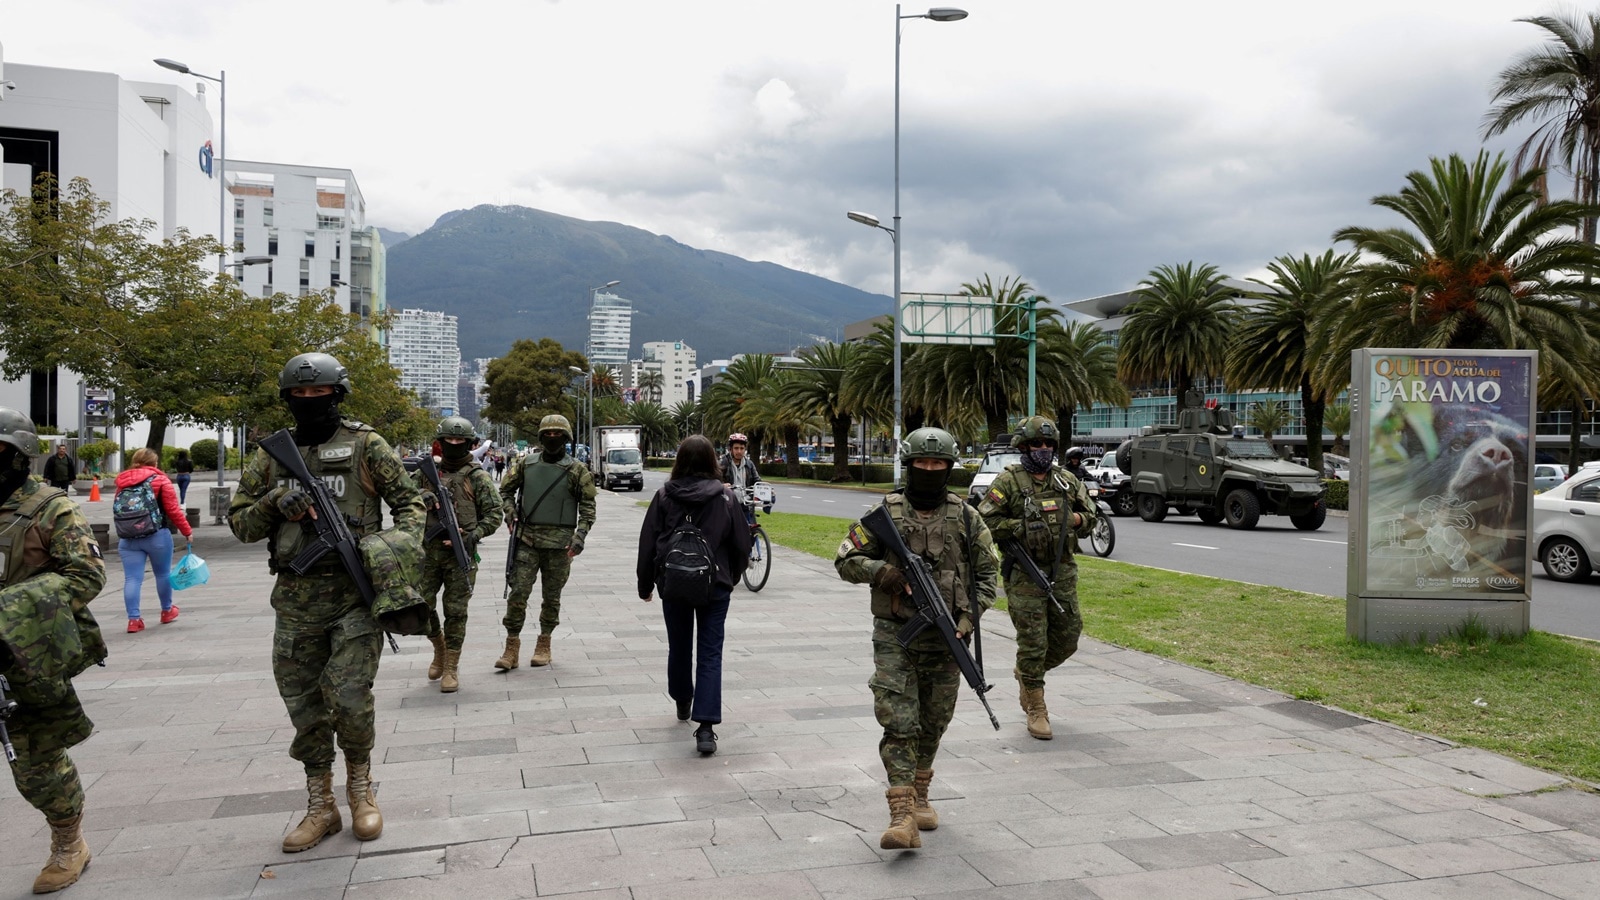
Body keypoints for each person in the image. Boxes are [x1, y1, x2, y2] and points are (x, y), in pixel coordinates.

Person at [227, 352, 425, 853]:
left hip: (354, 596)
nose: (311, 403)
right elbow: (241, 525)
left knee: (350, 698)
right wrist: (274, 502)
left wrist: (385, 553)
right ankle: (321, 805)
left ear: (338, 396)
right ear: (288, 399)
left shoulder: (366, 445)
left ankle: (361, 791)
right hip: (295, 600)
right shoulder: (273, 454)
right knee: (305, 708)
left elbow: (411, 506)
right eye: (301, 395)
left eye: (321, 395)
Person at [836, 426, 998, 850]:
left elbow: (987, 578)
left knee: (934, 720)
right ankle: (902, 814)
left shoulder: (967, 517)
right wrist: (882, 573)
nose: (929, 470)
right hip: (896, 636)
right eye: (922, 463)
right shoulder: (884, 514)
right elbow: (846, 558)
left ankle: (921, 791)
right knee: (899, 720)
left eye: (938, 464)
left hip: (947, 640)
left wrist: (965, 621)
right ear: (908, 465)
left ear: (949, 468)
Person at [0, 408, 108, 893]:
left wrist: (7, 611)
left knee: (37, 764)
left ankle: (69, 842)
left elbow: (86, 575)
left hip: (24, 656)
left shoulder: (49, 507)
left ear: (20, 454)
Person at [977, 416, 1095, 740]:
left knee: (1069, 636)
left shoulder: (1067, 481)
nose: (1042, 450)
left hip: (1062, 571)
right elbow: (983, 522)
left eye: (1047, 445)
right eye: (1035, 444)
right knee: (1033, 641)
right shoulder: (1008, 482)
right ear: (1023, 447)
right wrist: (1020, 527)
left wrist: (1076, 518)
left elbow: (1093, 516)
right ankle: (1036, 706)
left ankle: (1027, 675)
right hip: (1025, 574)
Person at [636, 435, 750, 755]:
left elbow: (648, 544)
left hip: (673, 584)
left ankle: (683, 700)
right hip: (716, 586)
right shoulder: (725, 498)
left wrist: (645, 584)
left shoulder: (663, 496)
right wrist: (732, 575)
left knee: (680, 646)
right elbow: (743, 544)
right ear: (714, 460)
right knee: (710, 652)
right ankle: (706, 727)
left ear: (679, 461)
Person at [497, 414, 596, 670]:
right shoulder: (525, 464)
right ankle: (511, 647)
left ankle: (544, 643)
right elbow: (505, 490)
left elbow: (588, 506)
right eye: (548, 434)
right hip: (527, 540)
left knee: (552, 598)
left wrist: (580, 536)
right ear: (541, 437)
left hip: (560, 545)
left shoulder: (577, 470)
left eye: (558, 434)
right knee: (517, 593)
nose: (553, 438)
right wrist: (510, 512)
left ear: (566, 438)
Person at [414, 416, 504, 693]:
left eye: (459, 441)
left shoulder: (477, 477)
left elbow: (494, 515)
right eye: (449, 440)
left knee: (455, 612)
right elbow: (403, 502)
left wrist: (471, 536)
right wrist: (421, 498)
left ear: (469, 444)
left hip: (459, 557)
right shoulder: (425, 474)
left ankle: (451, 665)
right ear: (440, 442)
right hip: (427, 555)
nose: (454, 444)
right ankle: (438, 647)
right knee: (421, 607)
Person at [114, 448, 193, 632]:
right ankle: (167, 611)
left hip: (128, 538)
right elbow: (173, 510)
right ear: (154, 463)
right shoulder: (160, 480)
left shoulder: (122, 481)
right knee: (163, 574)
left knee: (132, 578)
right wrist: (187, 531)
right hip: (157, 535)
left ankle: (134, 620)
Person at [719, 433, 762, 526]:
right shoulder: (723, 463)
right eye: (736, 448)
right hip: (728, 505)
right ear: (730, 449)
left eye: (742, 448)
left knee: (752, 531)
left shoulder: (749, 464)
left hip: (746, 504)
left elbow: (757, 480)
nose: (739, 451)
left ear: (745, 449)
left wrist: (765, 488)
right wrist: (722, 485)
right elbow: (714, 481)